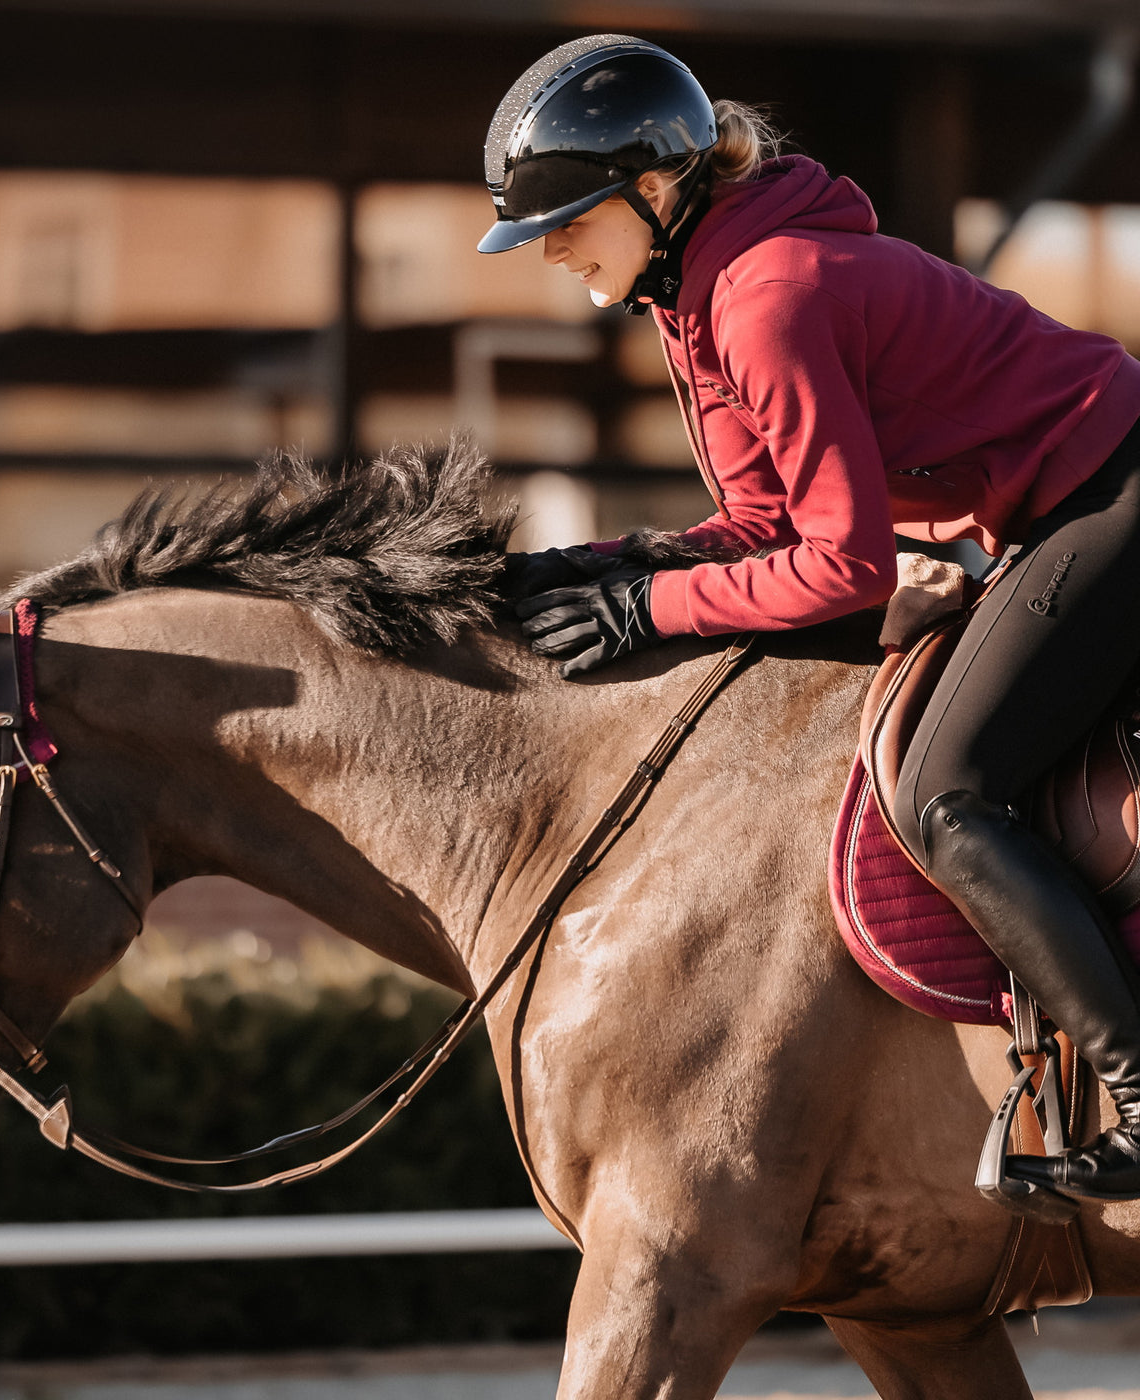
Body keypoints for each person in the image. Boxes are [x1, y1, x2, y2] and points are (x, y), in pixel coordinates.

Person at [479, 33, 1140, 1208]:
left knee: (947, 792)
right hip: (1062, 500)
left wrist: (647, 608)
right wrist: (594, 566)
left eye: (569, 218)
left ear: (653, 190)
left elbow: (842, 565)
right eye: (540, 232)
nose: (554, 248)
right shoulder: (695, 297)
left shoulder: (765, 295)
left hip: (1112, 493)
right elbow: (757, 522)